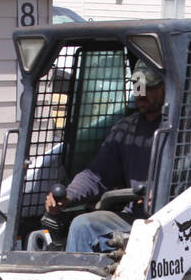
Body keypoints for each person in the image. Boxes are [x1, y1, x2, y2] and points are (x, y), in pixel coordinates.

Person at [45, 60, 164, 253]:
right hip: (137, 218)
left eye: (148, 87)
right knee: (83, 226)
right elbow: (97, 174)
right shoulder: (126, 130)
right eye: (137, 86)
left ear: (167, 86)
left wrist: (167, 195)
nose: (141, 93)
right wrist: (69, 195)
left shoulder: (189, 129)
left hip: (177, 219)